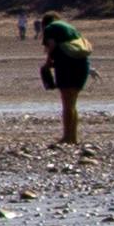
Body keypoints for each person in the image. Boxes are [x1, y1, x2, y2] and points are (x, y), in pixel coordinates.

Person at [39, 8, 94, 144]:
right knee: (72, 103)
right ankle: (73, 137)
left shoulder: (50, 28)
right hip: (82, 65)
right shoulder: (69, 27)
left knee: (66, 103)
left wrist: (47, 65)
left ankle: (67, 137)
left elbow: (51, 47)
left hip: (67, 67)